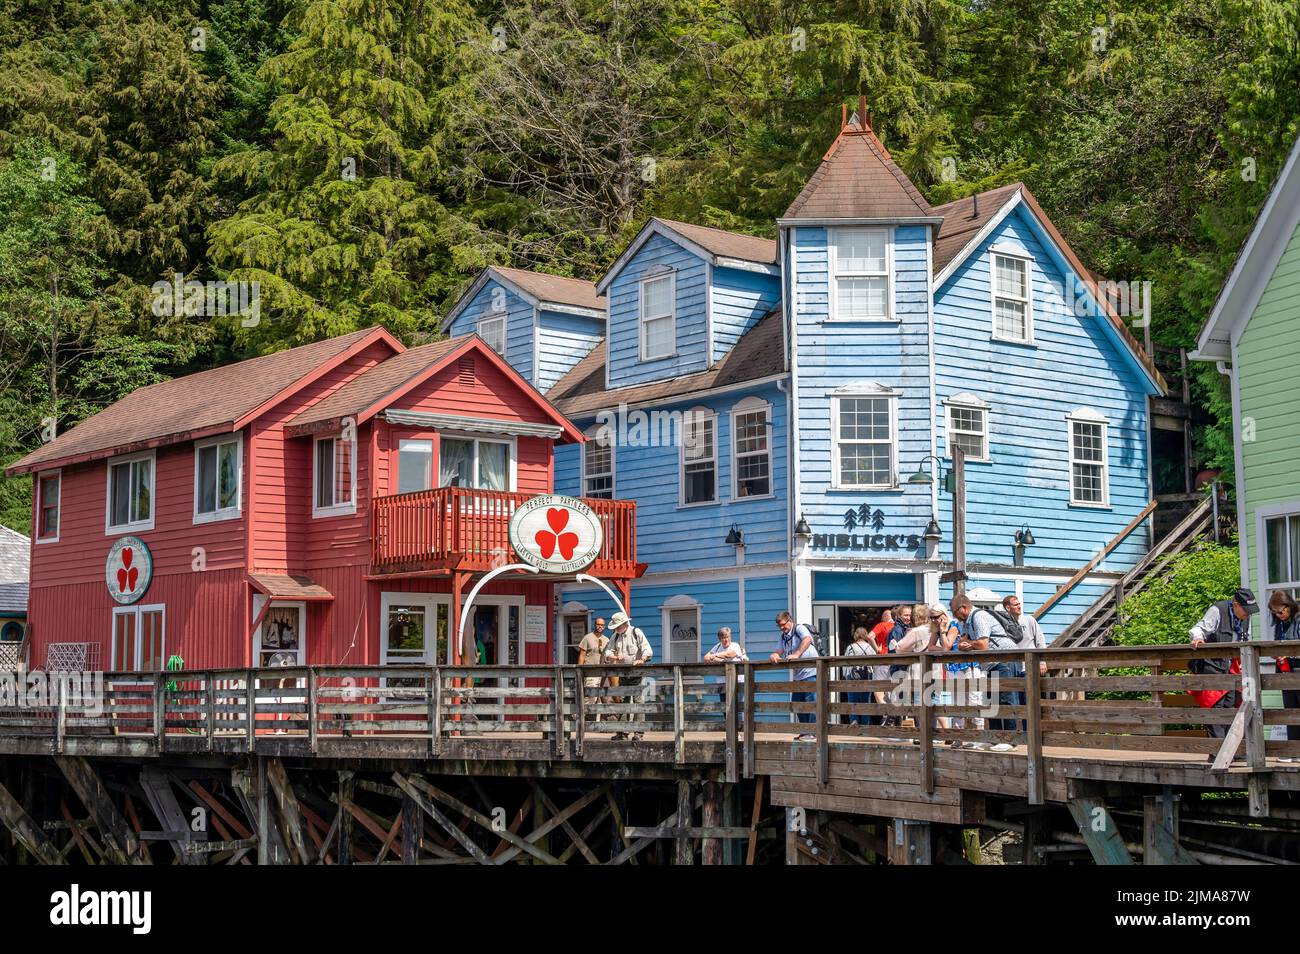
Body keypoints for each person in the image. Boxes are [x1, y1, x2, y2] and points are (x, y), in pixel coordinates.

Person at [951, 594, 1020, 750]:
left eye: (954, 611)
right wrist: (965, 643)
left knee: (1006, 700)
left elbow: (982, 645)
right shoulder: (966, 622)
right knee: (990, 701)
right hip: (990, 664)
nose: (953, 615)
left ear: (963, 608)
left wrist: (967, 643)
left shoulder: (979, 616)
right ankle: (994, 739)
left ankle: (1011, 740)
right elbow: (963, 642)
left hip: (1005, 660)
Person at [1189, 587, 1257, 740]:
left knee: (1232, 704)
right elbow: (1198, 628)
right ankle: (1217, 751)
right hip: (1212, 665)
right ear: (1236, 604)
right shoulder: (1218, 609)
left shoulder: (1246, 617)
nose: (1248, 613)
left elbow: (1246, 639)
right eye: (1246, 609)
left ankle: (1231, 750)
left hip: (1233, 666)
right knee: (1214, 706)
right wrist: (1198, 638)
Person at [603, 611, 653, 741]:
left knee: (638, 702)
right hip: (624, 673)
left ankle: (638, 733)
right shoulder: (615, 636)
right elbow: (607, 651)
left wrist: (642, 659)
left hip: (637, 672)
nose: (616, 629)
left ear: (624, 624)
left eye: (617, 626)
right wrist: (613, 656)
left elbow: (647, 649)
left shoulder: (636, 632)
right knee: (623, 701)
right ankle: (623, 732)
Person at [769, 611, 819, 741]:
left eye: (783, 625)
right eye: (779, 626)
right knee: (797, 703)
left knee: (811, 702)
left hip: (811, 671)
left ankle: (813, 733)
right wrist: (775, 654)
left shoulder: (799, 628)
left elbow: (807, 639)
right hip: (798, 675)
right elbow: (779, 650)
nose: (781, 628)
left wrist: (797, 654)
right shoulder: (784, 636)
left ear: (789, 620)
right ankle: (804, 732)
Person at [1268, 591, 1300, 757]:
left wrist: (1288, 653)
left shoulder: (1299, 619)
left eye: (1280, 611)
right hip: (1284, 671)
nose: (1278, 615)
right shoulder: (1279, 624)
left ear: (1289, 606)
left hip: (1297, 670)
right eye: (1274, 612)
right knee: (1289, 711)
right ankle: (1293, 751)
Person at [842, 626, 878, 726]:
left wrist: (845, 677)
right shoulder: (869, 647)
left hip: (852, 677)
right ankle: (865, 723)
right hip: (867, 676)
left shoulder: (850, 647)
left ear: (856, 635)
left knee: (852, 699)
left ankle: (854, 720)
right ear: (865, 635)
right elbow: (875, 662)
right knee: (866, 700)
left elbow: (844, 663)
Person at [577, 617, 608, 722]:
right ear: (595, 625)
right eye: (598, 624)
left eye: (602, 625)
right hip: (590, 670)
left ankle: (599, 721)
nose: (600, 626)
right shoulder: (587, 638)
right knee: (590, 696)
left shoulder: (606, 640)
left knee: (602, 696)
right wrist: (579, 670)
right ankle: (581, 717)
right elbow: (582, 655)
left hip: (603, 671)